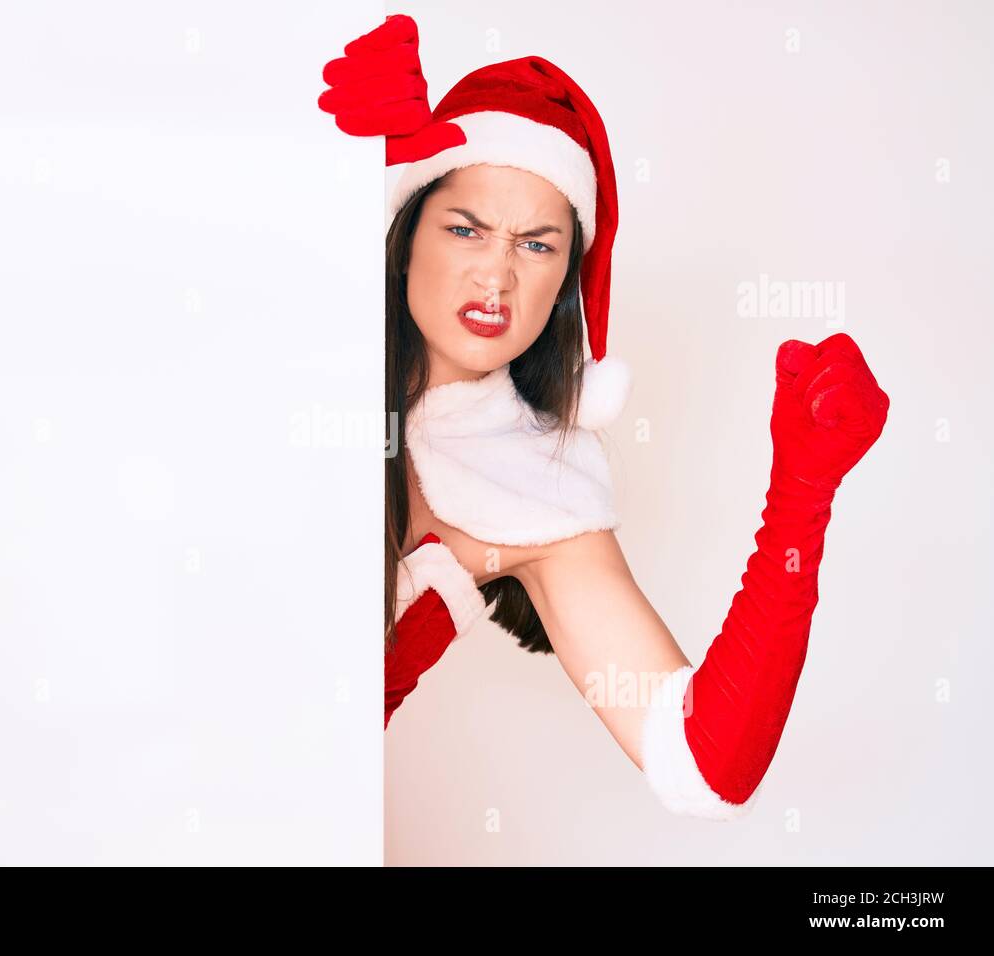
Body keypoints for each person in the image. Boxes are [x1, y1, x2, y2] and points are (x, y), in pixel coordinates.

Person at [319, 15, 890, 819]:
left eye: (538, 244)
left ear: (566, 284)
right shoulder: (303, 353)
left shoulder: (537, 497)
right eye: (465, 228)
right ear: (407, 231)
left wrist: (802, 492)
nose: (497, 275)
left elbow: (707, 766)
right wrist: (313, 162)